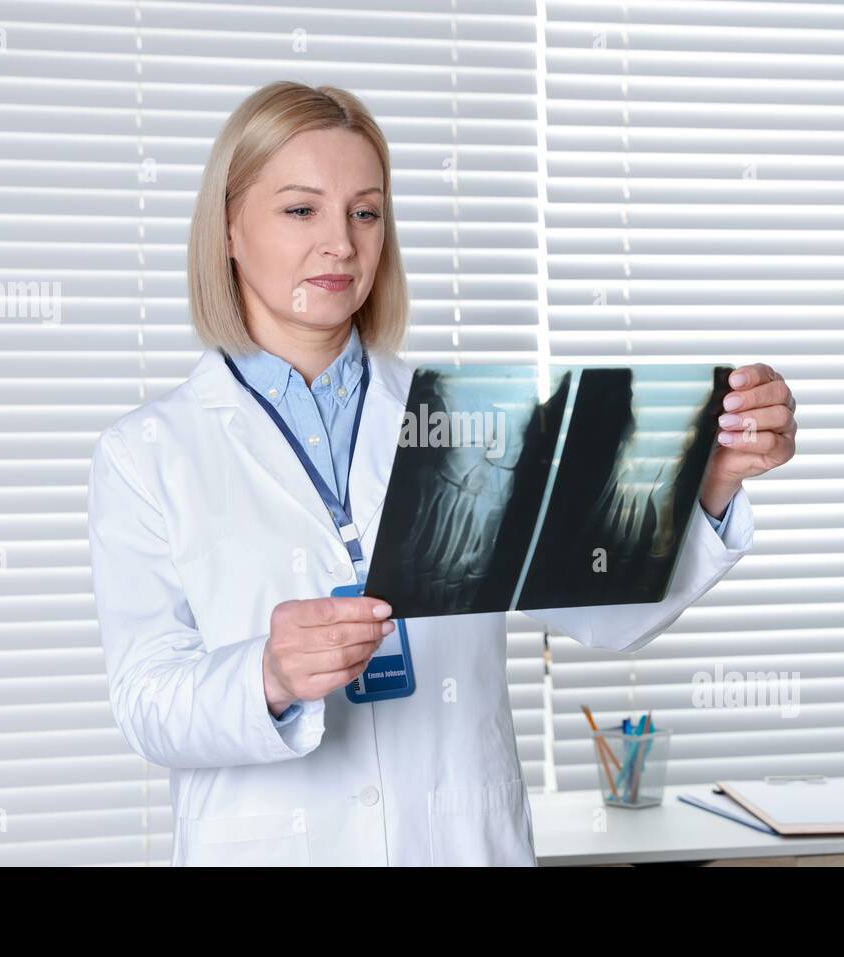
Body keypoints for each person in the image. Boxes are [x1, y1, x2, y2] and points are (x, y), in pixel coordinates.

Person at [87, 81, 797, 866]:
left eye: (365, 211)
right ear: (227, 225)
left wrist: (712, 481)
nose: (341, 243)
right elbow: (147, 698)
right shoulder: (149, 452)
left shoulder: (464, 424)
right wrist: (269, 673)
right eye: (300, 210)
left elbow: (603, 613)